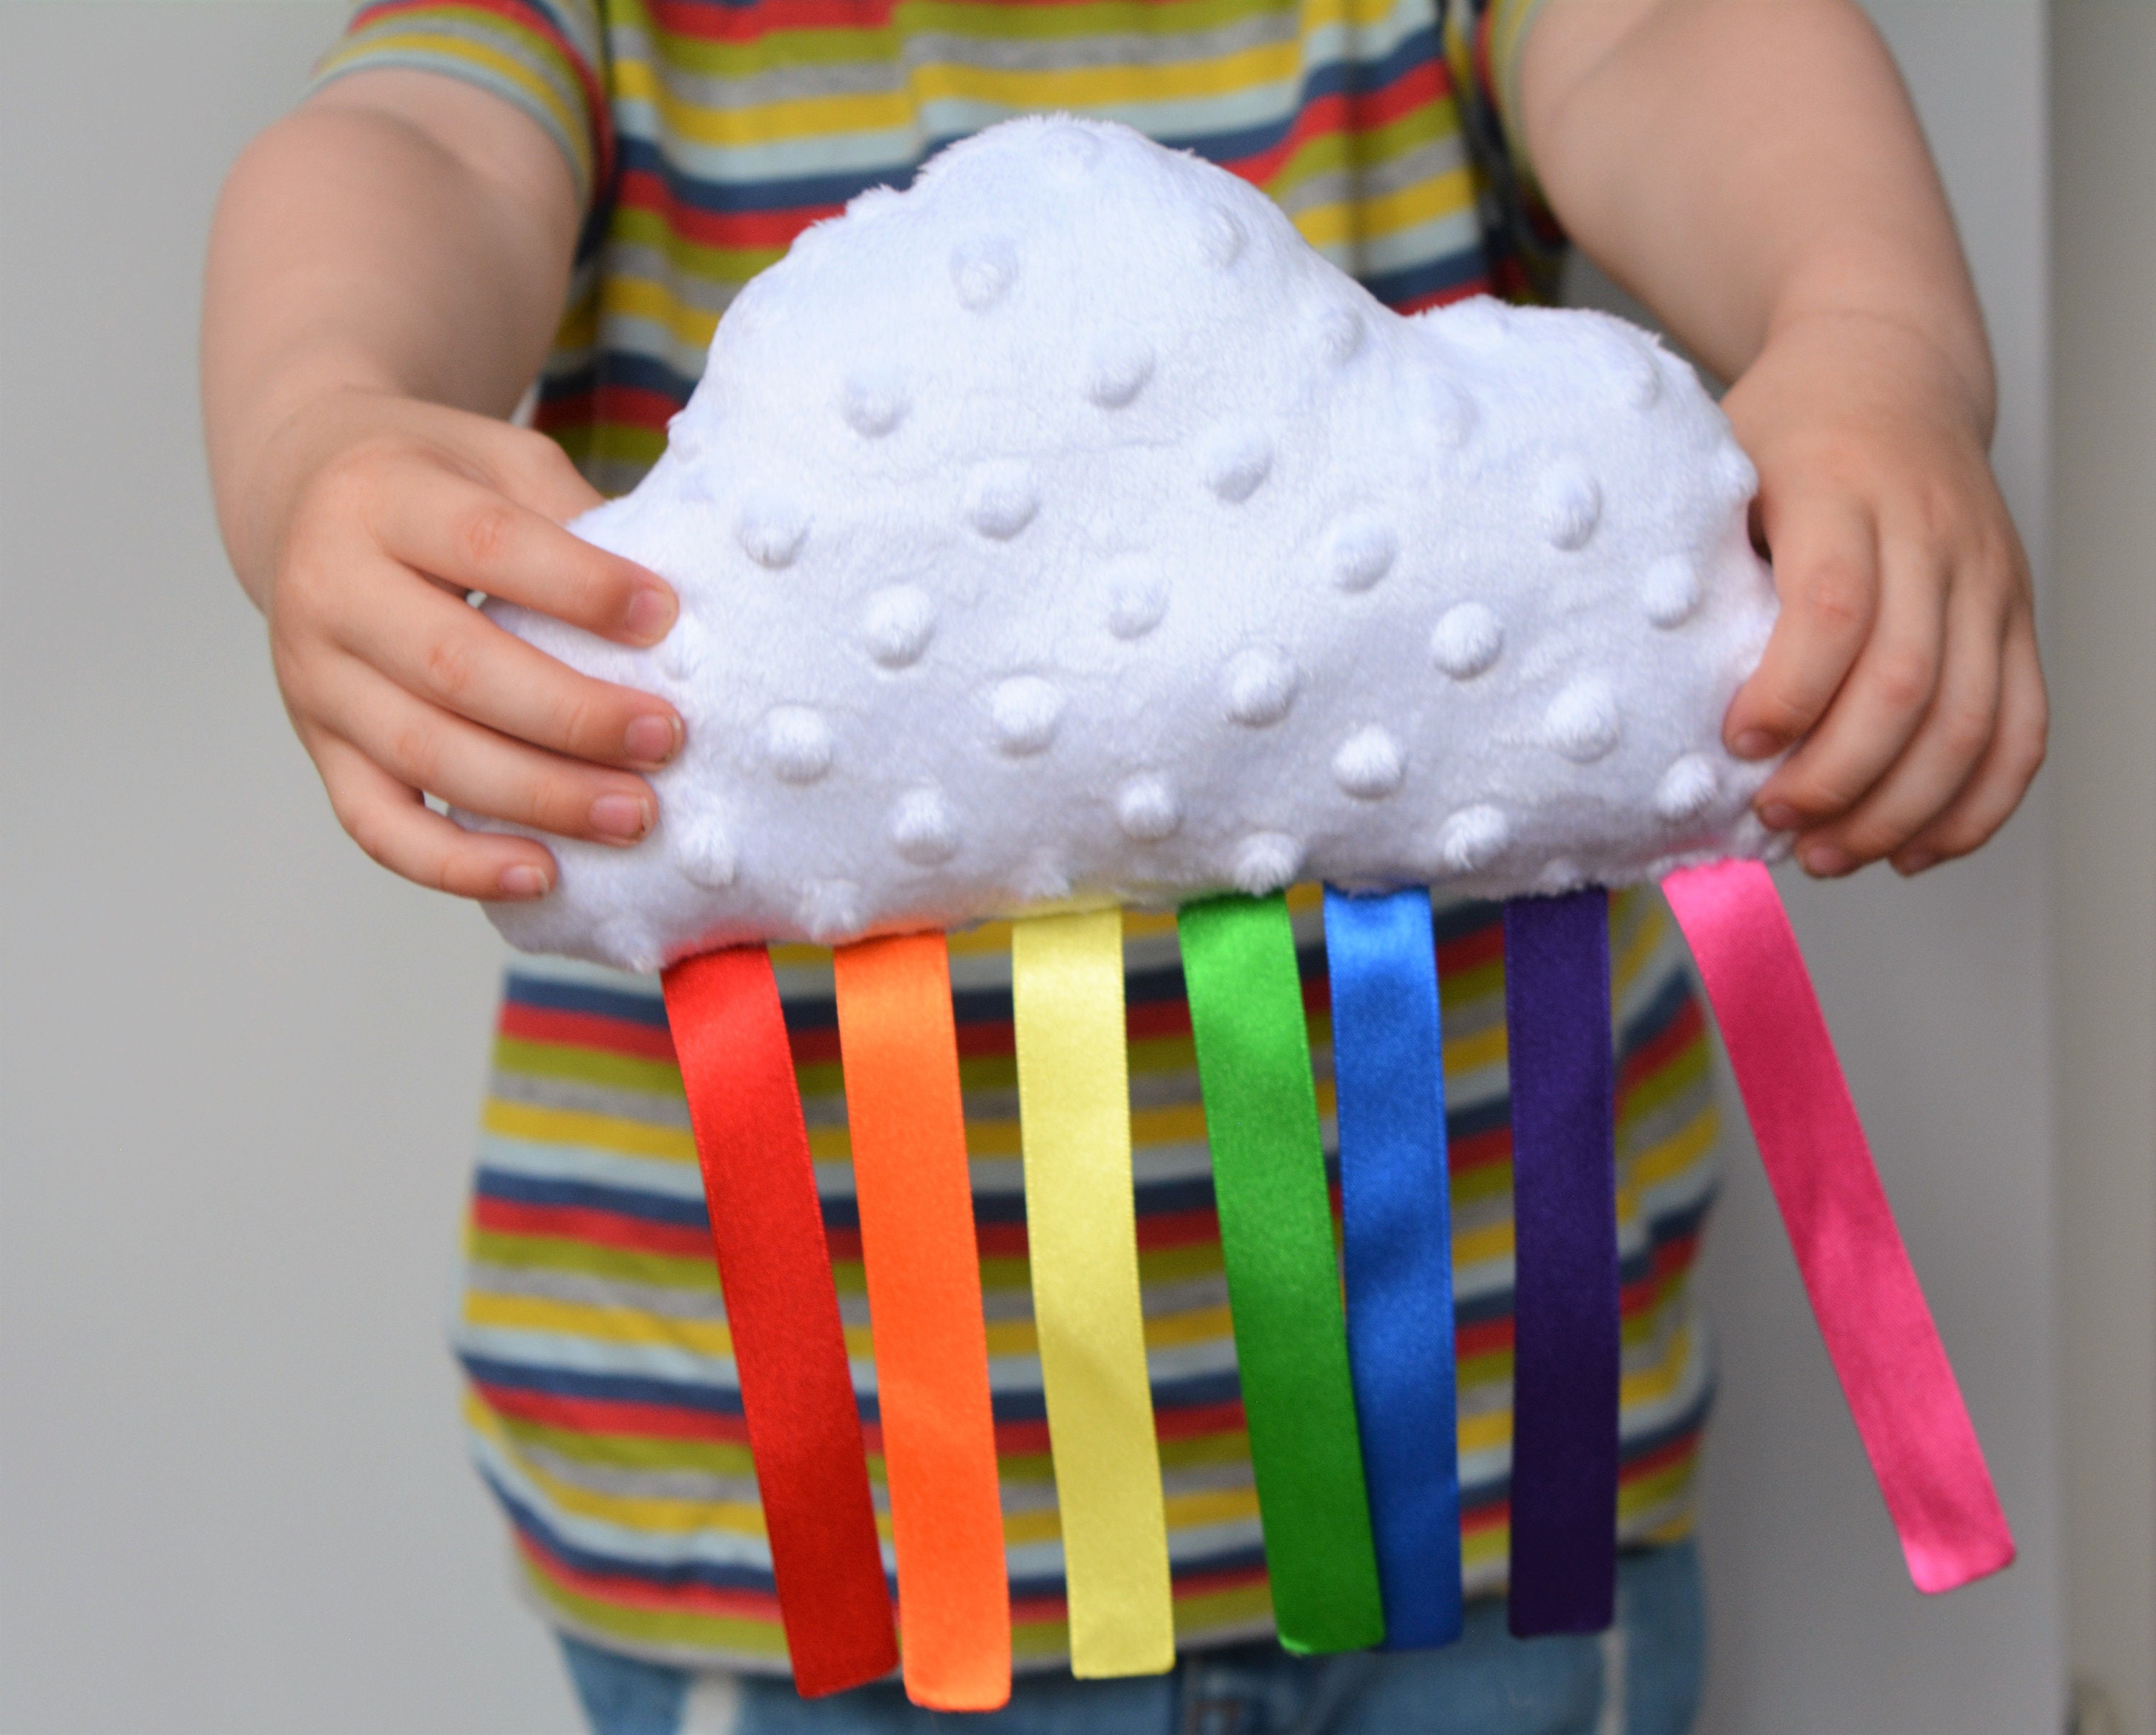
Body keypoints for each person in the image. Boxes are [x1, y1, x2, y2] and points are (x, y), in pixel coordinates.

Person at [200, 0, 2045, 1729]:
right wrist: (318, 423)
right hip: (798, 1536)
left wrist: (1871, 333)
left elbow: (1670, 39)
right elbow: (424, 146)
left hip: (1503, 1474)